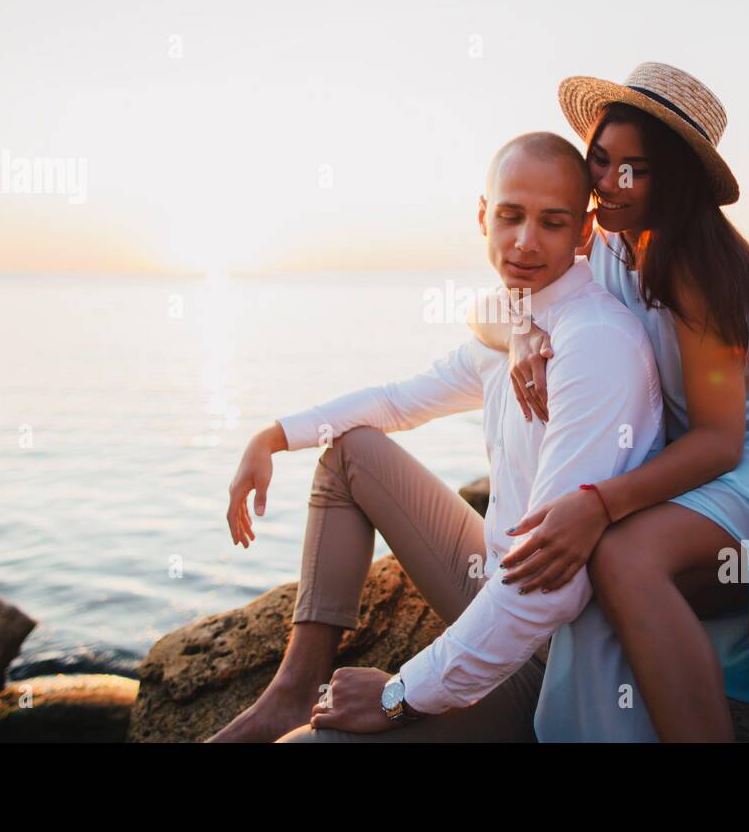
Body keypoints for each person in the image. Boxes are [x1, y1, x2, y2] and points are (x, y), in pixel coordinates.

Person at [468, 63, 749, 742]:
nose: (610, 183)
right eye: (601, 160)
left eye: (635, 170)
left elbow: (719, 441)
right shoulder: (607, 238)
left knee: (620, 554)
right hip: (724, 459)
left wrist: (601, 502)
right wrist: (522, 330)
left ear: (673, 181)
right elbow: (489, 303)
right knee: (595, 568)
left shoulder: (693, 266)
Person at [206, 131, 664, 742]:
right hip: (497, 582)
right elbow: (398, 401)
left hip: (555, 654)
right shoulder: (515, 324)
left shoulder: (593, 344)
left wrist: (398, 695)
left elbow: (550, 588)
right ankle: (294, 690)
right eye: (510, 216)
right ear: (482, 216)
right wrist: (272, 436)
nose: (525, 242)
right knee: (351, 454)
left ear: (583, 233)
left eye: (552, 223)